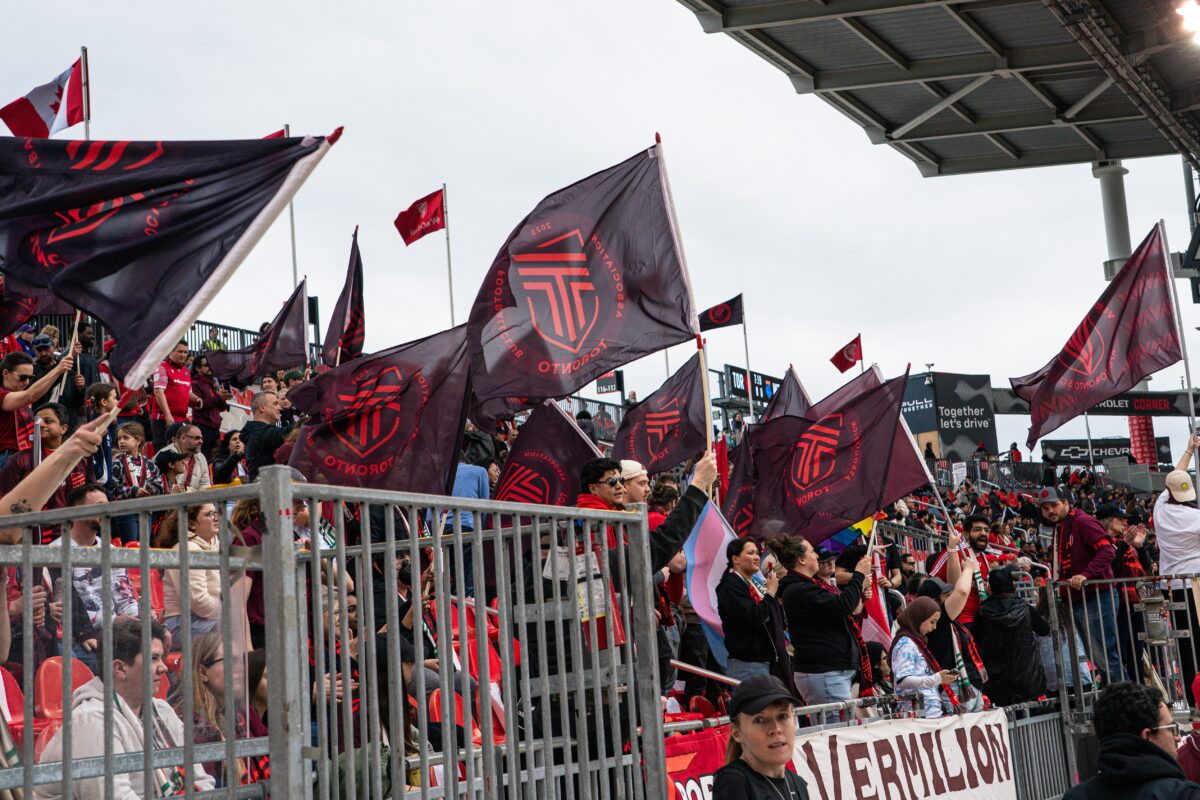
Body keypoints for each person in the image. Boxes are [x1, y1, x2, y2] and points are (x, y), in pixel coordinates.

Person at [34, 617, 215, 798]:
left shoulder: (162, 711)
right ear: (120, 668)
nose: (163, 668)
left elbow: (201, 779)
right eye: (153, 659)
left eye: (161, 658)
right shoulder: (91, 722)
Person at [46, 484, 140, 673]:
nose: (106, 511)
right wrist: (113, 622)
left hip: (115, 628)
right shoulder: (56, 552)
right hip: (85, 634)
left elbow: (124, 596)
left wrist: (138, 618)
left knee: (157, 638)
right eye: (98, 505)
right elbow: (65, 607)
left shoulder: (111, 551)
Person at [1040, 485, 1128, 685]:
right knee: (1099, 657)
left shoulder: (1083, 521)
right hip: (1080, 598)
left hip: (1097, 596)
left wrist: (1086, 574)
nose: (1050, 511)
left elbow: (1107, 552)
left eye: (1054, 505)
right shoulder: (1062, 527)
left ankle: (1130, 702)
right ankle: (1120, 700)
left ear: (1066, 503)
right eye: (1045, 508)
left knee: (1105, 655)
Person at [775, 535, 872, 714]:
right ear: (802, 559)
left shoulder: (807, 586)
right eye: (812, 552)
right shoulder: (798, 589)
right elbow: (842, 606)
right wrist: (858, 575)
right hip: (824, 674)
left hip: (830, 673)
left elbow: (844, 607)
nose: (816, 556)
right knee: (835, 735)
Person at [1063, 682, 1199, 799]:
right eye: (1172, 728)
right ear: (1147, 736)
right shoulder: (1183, 795)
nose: (1178, 737)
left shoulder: (1076, 797)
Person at [1152, 441, 1200, 702]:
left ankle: (1194, 702)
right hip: (1196, 586)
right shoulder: (1195, 518)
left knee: (1186, 646)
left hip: (1173, 587)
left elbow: (1172, 478)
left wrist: (1189, 450)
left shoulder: (1160, 507)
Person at [713, 675, 810, 799]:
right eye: (760, 720)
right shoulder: (734, 782)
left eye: (783, 716)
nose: (776, 729)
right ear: (737, 733)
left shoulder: (798, 784)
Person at [716, 538, 793, 689]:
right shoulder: (731, 585)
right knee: (755, 710)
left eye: (757, 553)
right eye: (751, 553)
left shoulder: (755, 583)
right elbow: (753, 617)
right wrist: (770, 593)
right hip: (748, 664)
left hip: (764, 661)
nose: (757, 557)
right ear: (736, 559)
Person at [972, 567, 1049, 706]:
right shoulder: (1025, 608)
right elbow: (1044, 629)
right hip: (1028, 680)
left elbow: (975, 638)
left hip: (997, 683)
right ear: (1013, 587)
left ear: (989, 588)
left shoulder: (982, 612)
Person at [158, 503, 223, 644]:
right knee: (235, 629)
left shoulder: (213, 543)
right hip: (183, 623)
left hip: (208, 617)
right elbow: (198, 601)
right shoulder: (186, 549)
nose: (216, 518)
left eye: (216, 513)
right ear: (192, 524)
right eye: (209, 514)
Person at [0, 350, 74, 470]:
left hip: (26, 456)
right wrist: (57, 370)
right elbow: (30, 395)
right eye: (23, 377)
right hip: (7, 458)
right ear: (6, 373)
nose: (27, 382)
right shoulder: (3, 394)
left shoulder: (22, 398)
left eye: (30, 378)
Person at [931, 512, 1008, 626]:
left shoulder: (983, 558)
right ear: (966, 534)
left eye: (986, 530)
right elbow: (931, 582)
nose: (983, 533)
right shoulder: (954, 552)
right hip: (958, 622)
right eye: (977, 529)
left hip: (980, 620)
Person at [889, 597, 959, 718]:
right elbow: (903, 681)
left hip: (928, 712)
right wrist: (937, 679)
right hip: (915, 715)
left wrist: (939, 679)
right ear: (919, 617)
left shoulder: (918, 642)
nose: (935, 627)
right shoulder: (905, 643)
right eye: (932, 622)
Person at [151, 341, 193, 450]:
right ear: (171, 351)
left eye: (185, 352)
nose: (183, 354)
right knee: (164, 450)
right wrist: (168, 415)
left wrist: (198, 399)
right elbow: (158, 392)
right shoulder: (162, 368)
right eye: (180, 351)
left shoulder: (186, 372)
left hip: (181, 418)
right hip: (163, 419)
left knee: (184, 450)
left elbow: (186, 392)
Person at [189, 354, 230, 460]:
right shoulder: (195, 384)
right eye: (206, 365)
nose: (210, 367)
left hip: (214, 428)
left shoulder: (212, 384)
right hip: (202, 427)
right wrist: (219, 398)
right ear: (197, 368)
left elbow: (220, 408)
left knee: (213, 458)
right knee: (201, 459)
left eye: (211, 364)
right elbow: (199, 404)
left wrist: (223, 399)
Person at [242, 391, 286, 480]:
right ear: (262, 408)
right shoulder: (260, 433)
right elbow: (288, 433)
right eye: (275, 404)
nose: (279, 408)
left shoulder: (255, 432)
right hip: (267, 489)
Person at [157, 424, 211, 492]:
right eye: (197, 438)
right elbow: (157, 484)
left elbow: (205, 485)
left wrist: (191, 491)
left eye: (202, 438)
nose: (201, 441)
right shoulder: (166, 454)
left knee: (209, 503)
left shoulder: (201, 457)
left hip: (195, 499)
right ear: (183, 438)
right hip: (170, 499)